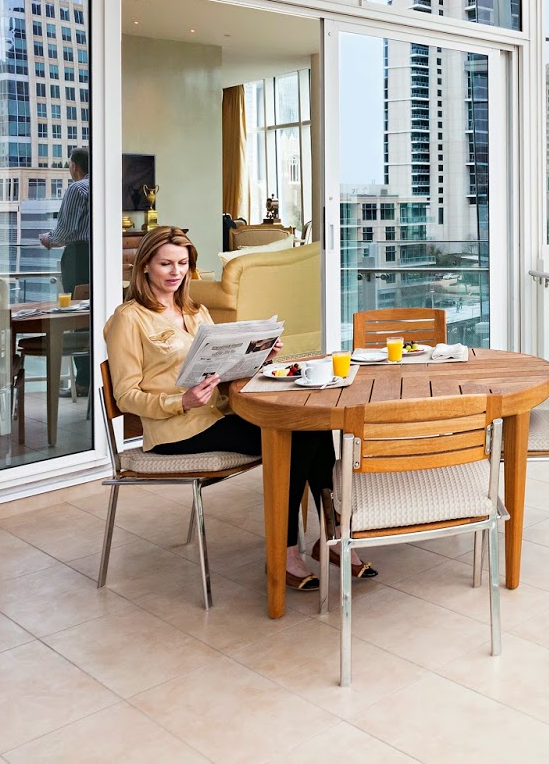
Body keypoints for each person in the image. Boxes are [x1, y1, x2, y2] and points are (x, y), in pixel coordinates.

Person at [102, 227, 376, 589]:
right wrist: (179, 400)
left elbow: (224, 368)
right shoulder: (128, 318)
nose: (175, 272)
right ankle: (288, 552)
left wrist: (258, 355)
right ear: (145, 268)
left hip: (216, 415)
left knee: (314, 427)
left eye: (183, 263)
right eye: (165, 263)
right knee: (293, 439)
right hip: (175, 430)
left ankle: (336, 535)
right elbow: (125, 396)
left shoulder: (196, 311)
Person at [39, 147, 91, 395]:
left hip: (79, 256)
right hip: (98, 255)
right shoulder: (101, 185)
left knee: (78, 316)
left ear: (74, 166)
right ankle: (94, 380)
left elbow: (65, 231)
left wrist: (48, 239)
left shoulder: (77, 189)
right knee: (96, 315)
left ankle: (82, 382)